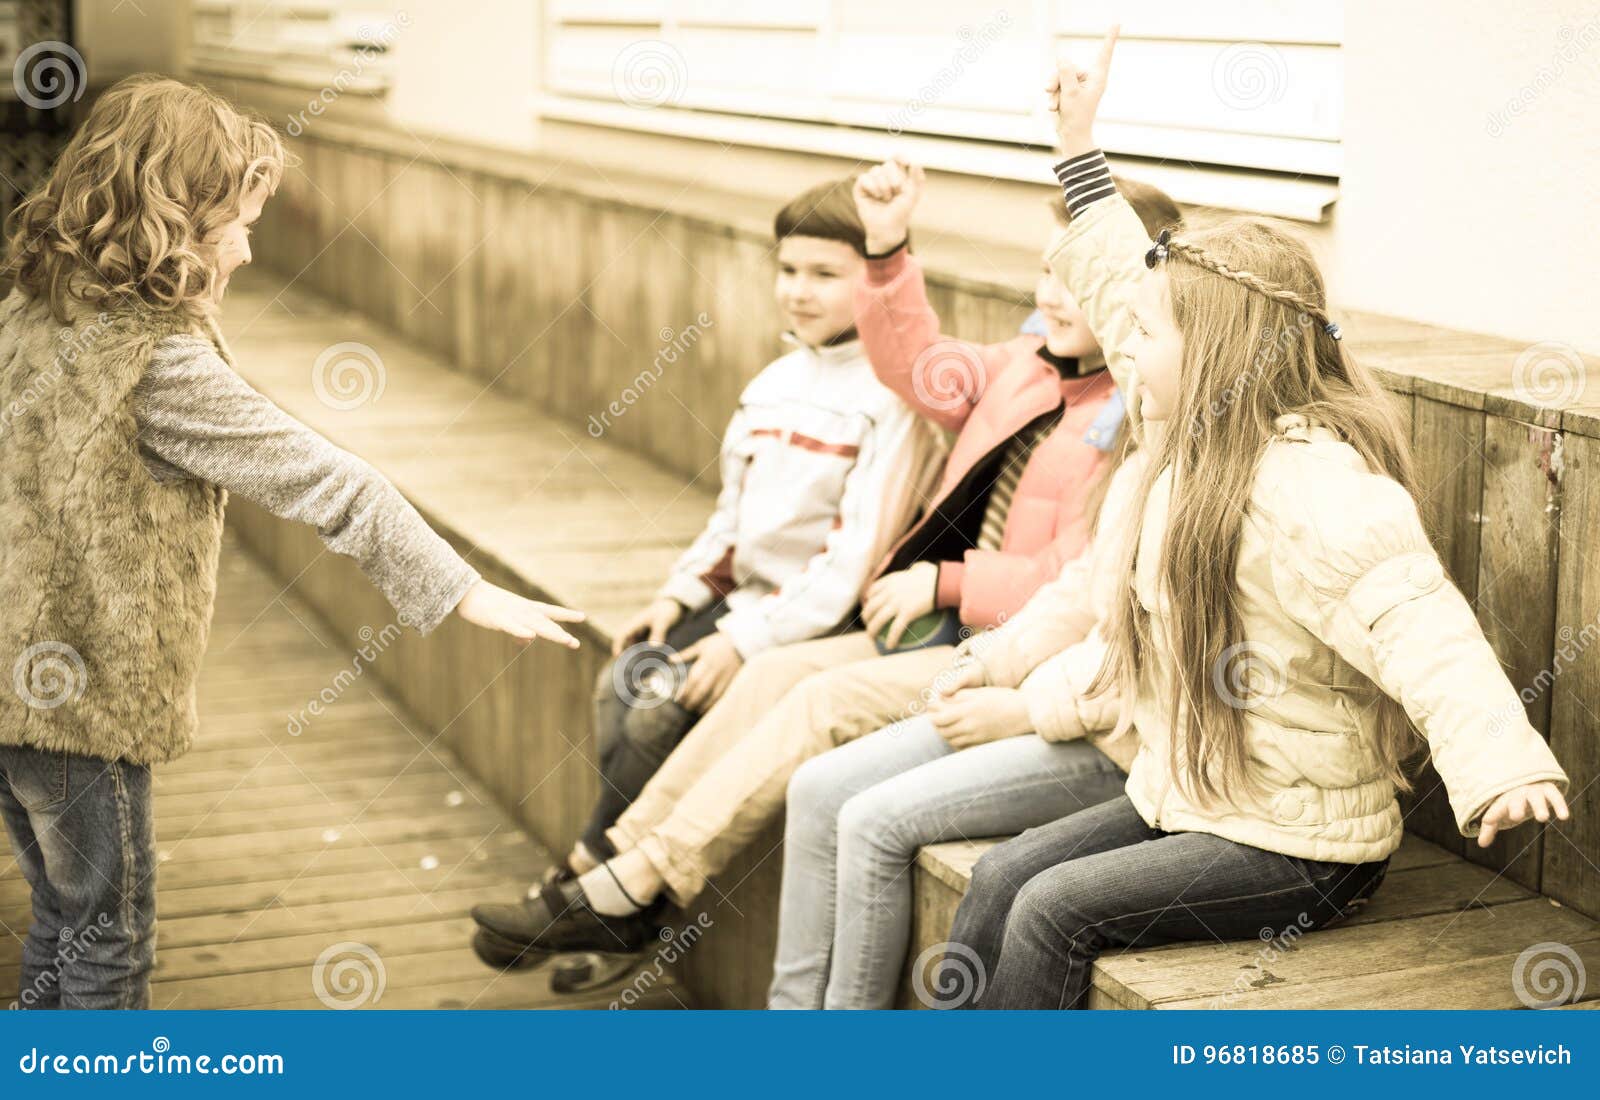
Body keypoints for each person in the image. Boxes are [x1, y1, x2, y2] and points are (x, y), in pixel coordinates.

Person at [937, 29, 1571, 1010]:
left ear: (1220, 358)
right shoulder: (1186, 431)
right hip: (1191, 798)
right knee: (994, 876)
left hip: (1301, 845)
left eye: (1150, 335)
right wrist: (1077, 146)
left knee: (1051, 909)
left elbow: (1423, 629)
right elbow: (1117, 280)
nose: (1127, 346)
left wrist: (1496, 763)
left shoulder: (1309, 486)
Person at [470, 153, 1181, 962]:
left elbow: (1085, 575)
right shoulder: (1023, 366)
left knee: (819, 701)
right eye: (1043, 271)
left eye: (1074, 272)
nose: (1050, 292)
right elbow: (912, 360)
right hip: (941, 631)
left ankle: (640, 883)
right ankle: (614, 864)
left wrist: (951, 579)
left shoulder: (1143, 414)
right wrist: (885, 251)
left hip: (1018, 659)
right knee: (771, 674)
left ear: (1131, 286)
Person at [0, 75, 582, 1009]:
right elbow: (326, 478)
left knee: (66, 919)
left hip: (17, 684)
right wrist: (465, 589)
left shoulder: (40, 303)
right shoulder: (155, 360)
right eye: (238, 220)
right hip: (81, 699)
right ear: (176, 220)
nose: (249, 245)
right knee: (111, 934)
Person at [503, 177, 945, 918]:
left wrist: (742, 644)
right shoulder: (772, 385)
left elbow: (851, 564)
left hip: (815, 625)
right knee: (623, 679)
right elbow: (730, 524)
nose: (799, 292)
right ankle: (609, 899)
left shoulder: (890, 399)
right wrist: (675, 598)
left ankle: (590, 881)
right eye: (787, 270)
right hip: (747, 603)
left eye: (825, 275)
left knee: (658, 712)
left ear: (874, 281)